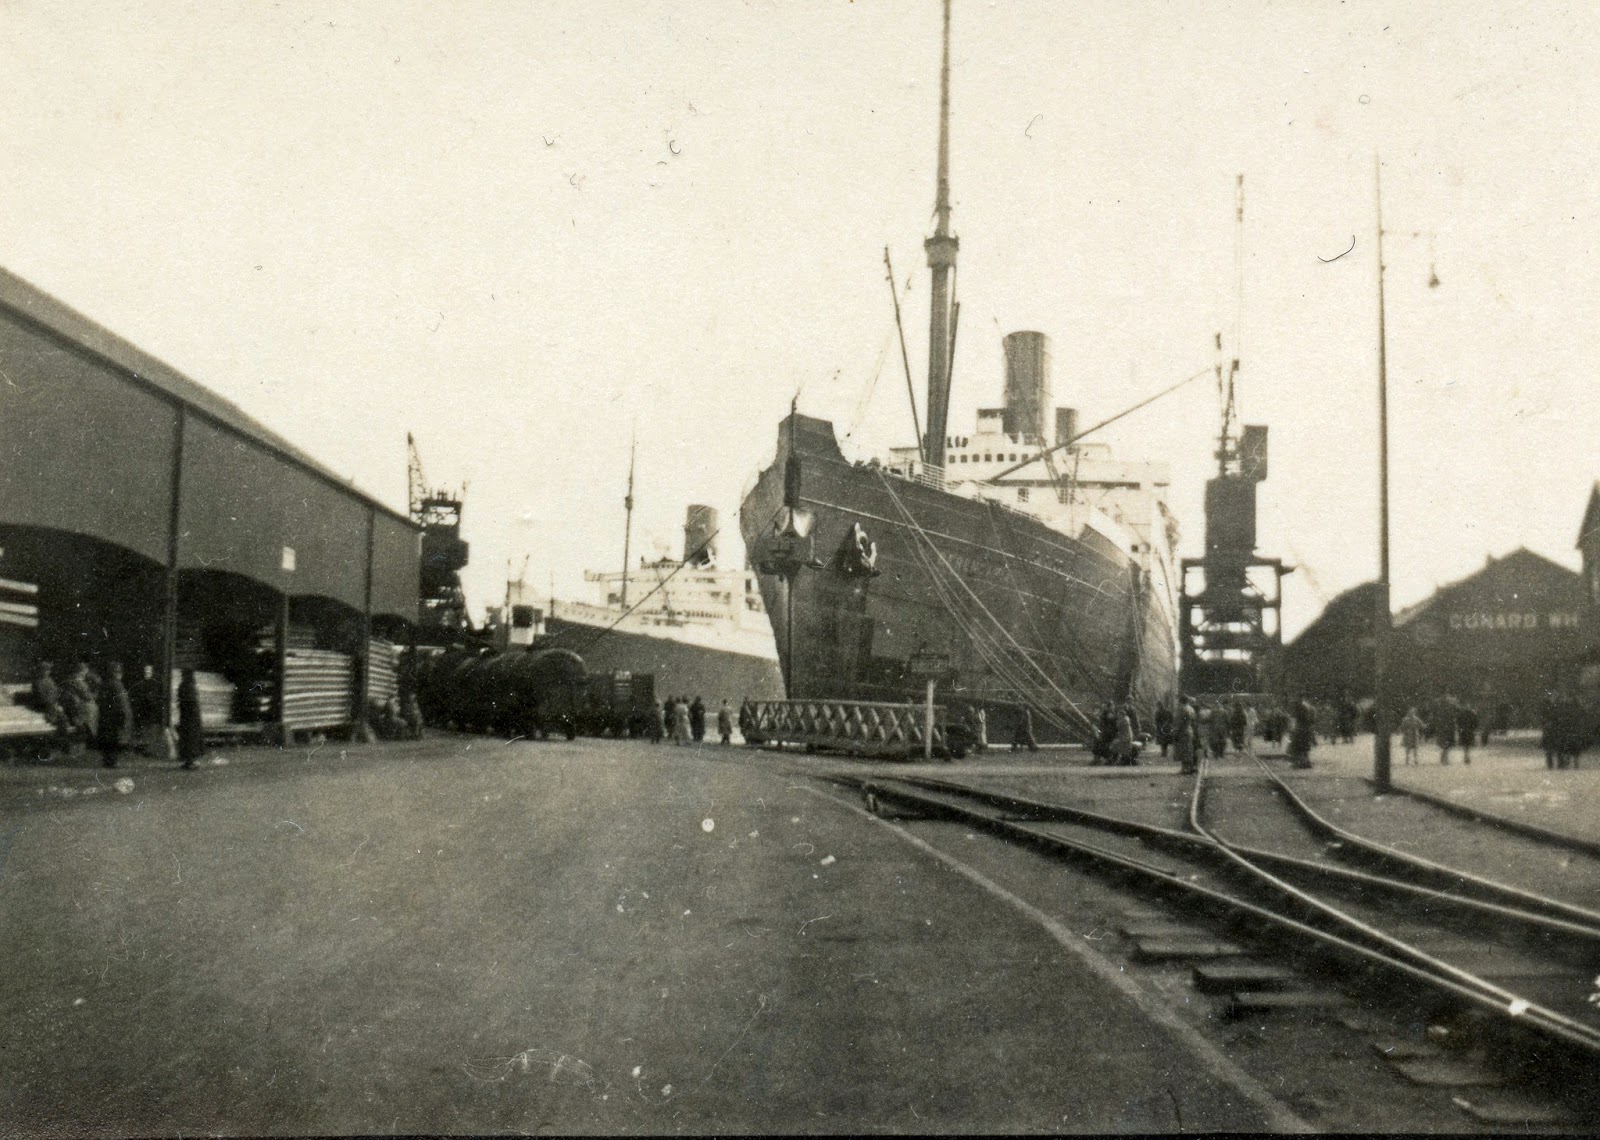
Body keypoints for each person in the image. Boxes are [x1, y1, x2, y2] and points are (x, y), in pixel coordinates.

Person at [96, 661, 134, 768]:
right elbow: (122, 702)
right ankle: (112, 761)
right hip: (115, 715)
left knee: (108, 739)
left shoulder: (105, 684)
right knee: (114, 739)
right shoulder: (117, 685)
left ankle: (107, 760)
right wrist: (125, 715)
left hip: (106, 715)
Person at [177, 667, 205, 769]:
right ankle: (190, 761)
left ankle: (189, 761)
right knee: (191, 739)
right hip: (192, 717)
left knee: (188, 739)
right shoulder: (191, 686)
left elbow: (183, 701)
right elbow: (193, 702)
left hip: (186, 717)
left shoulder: (184, 686)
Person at [1288, 698, 1315, 769]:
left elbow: (1295, 720)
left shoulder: (1301, 708)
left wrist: (1293, 730)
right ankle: (1305, 762)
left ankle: (1300, 763)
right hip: (1306, 729)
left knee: (1298, 746)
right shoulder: (1308, 707)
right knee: (1304, 747)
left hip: (1300, 729)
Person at [1174, 697, 1198, 774]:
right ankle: (1191, 767)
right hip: (1190, 730)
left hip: (1183, 731)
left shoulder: (1182, 709)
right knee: (1189, 749)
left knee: (1183, 750)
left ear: (1181, 701)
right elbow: (1194, 721)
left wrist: (1176, 732)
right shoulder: (1191, 709)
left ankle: (1185, 768)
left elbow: (1179, 722)